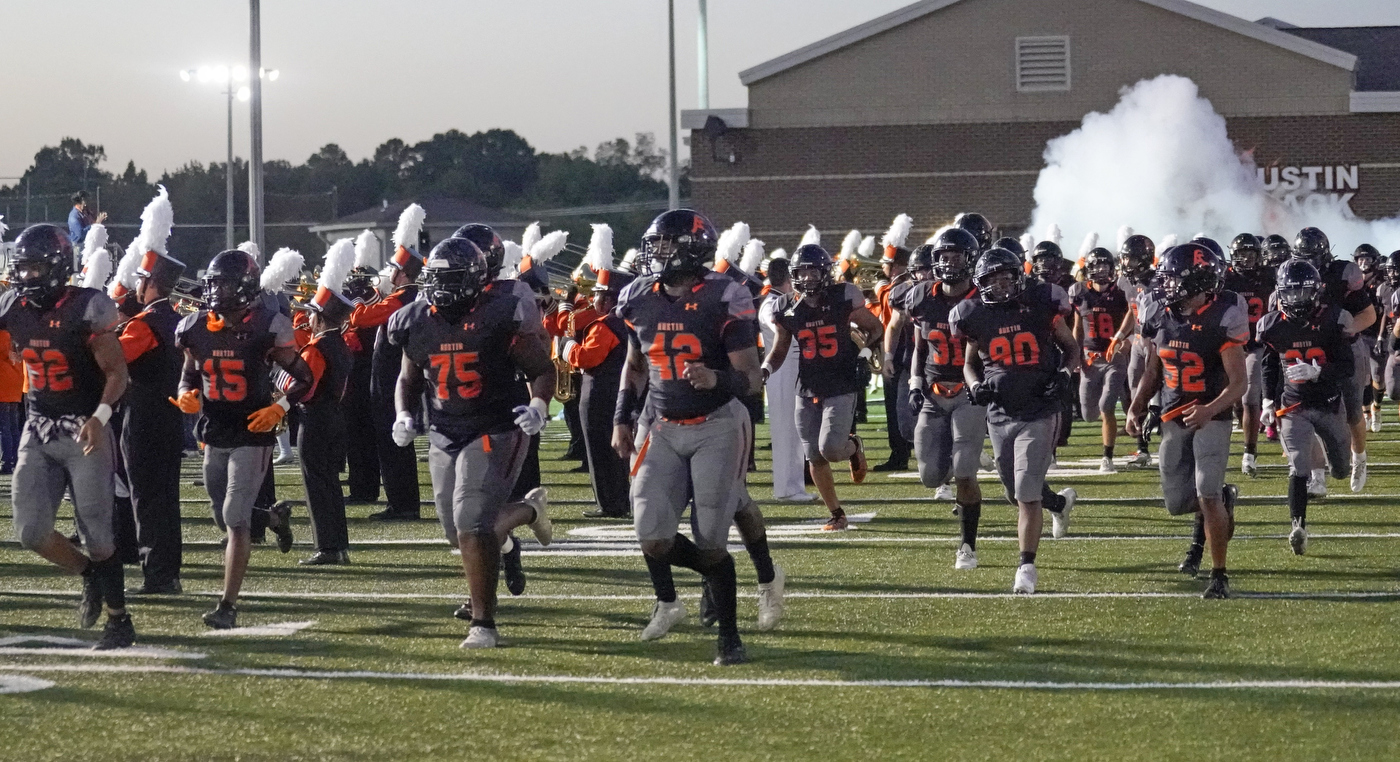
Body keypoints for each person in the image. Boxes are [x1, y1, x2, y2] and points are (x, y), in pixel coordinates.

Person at [612, 208, 762, 666]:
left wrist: (716, 378)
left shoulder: (726, 295)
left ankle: (730, 637)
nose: (656, 253)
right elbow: (636, 365)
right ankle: (687, 593)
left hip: (717, 423)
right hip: (661, 425)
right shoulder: (638, 295)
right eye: (654, 244)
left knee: (712, 539)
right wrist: (621, 417)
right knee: (652, 536)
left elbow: (751, 379)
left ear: (694, 247)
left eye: (666, 244)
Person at [389, 237, 556, 649]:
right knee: (456, 531)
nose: (438, 287)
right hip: (445, 430)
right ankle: (529, 511)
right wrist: (404, 413)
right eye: (433, 278)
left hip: (496, 426)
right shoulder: (415, 319)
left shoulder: (498, 315)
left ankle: (483, 622)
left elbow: (541, 368)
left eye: (447, 278)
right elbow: (408, 379)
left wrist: (538, 405)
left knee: (473, 525)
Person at [2, 224, 134, 648]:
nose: (27, 277)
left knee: (98, 531)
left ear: (58, 267)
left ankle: (120, 620)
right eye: (22, 269)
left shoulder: (88, 307)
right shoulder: (12, 305)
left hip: (83, 428)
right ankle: (88, 575)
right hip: (37, 426)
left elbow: (118, 372)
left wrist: (100, 415)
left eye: (36, 268)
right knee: (30, 530)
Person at [174, 248, 311, 629]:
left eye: (225, 283)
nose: (216, 291)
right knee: (223, 516)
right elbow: (189, 373)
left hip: (253, 431)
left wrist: (280, 408)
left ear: (245, 287)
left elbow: (304, 379)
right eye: (213, 283)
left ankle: (227, 605)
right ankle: (272, 517)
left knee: (234, 517)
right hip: (214, 430)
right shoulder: (194, 327)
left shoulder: (270, 324)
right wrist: (187, 392)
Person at [952, 247, 1080, 594]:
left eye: (1007, 279)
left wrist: (1066, 374)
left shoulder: (1041, 303)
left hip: (1040, 408)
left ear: (1019, 279)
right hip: (1000, 412)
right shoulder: (973, 314)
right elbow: (969, 364)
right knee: (1014, 492)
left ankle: (1026, 566)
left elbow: (1071, 349)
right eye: (993, 281)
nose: (1001, 287)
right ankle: (1059, 504)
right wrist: (975, 385)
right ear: (981, 284)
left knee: (1025, 492)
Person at [1126, 243, 1245, 599]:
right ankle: (1224, 500)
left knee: (1206, 490)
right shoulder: (1161, 314)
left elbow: (1240, 382)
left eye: (1176, 278)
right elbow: (1153, 368)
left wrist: (1210, 408)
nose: (1167, 284)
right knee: (1177, 503)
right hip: (1173, 414)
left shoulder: (1221, 315)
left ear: (1198, 282)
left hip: (1212, 414)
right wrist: (1136, 406)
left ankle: (1219, 574)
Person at [762, 243, 882, 531]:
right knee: (813, 455)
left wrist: (864, 356)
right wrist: (765, 369)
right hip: (807, 386)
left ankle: (853, 448)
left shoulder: (843, 297)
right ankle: (837, 513)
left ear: (825, 273)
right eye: (802, 273)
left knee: (829, 448)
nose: (808, 279)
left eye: (813, 272)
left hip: (841, 382)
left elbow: (875, 328)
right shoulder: (787, 308)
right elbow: (780, 349)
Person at [901, 229, 986, 569]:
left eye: (956, 256)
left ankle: (967, 546)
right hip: (934, 392)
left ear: (970, 259)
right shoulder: (921, 296)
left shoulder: (983, 298)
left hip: (969, 391)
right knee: (931, 477)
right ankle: (960, 456)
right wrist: (914, 382)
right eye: (944, 256)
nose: (949, 263)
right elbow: (921, 345)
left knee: (965, 472)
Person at [1258, 259, 1354, 556]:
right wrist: (1267, 401)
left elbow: (1347, 367)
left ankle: (1337, 467)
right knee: (1298, 465)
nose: (1297, 299)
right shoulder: (1272, 325)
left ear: (1315, 292)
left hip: (1327, 403)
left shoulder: (1331, 319)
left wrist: (1318, 373)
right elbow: (1270, 364)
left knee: (1340, 468)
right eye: (1291, 292)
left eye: (1302, 292)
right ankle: (1298, 525)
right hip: (1293, 405)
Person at [117, 248, 187, 594]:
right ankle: (168, 571)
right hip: (171, 415)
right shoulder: (175, 319)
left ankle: (157, 574)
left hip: (145, 418)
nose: (137, 287)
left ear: (152, 284)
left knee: (146, 497)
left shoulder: (144, 325)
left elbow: (114, 358)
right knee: (166, 497)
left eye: (142, 280)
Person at [348, 212, 426, 522]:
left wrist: (355, 299)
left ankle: (403, 504)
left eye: (394, 268)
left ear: (403, 273)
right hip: (389, 378)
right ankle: (400, 502)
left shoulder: (403, 298)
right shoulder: (398, 296)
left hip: (393, 379)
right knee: (390, 442)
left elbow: (360, 319)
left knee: (394, 444)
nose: (389, 272)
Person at [1293, 227, 1373, 493]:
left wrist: (1347, 330)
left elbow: (1369, 315)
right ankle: (1317, 475)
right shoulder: (1294, 275)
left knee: (1352, 412)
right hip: (1310, 352)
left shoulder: (1341, 274)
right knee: (1312, 412)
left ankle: (1359, 458)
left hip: (1344, 349)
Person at [293, 243, 356, 566]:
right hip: (335, 416)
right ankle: (338, 545)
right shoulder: (342, 345)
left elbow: (305, 387)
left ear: (319, 317)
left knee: (316, 483)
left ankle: (328, 547)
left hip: (315, 418)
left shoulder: (316, 348)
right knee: (329, 482)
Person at [560, 254, 634, 518]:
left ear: (612, 299)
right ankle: (622, 500)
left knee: (600, 451)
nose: (595, 300)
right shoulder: (630, 323)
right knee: (620, 452)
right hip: (622, 391)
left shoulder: (605, 326)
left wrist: (566, 345)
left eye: (600, 295)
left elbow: (586, 357)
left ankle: (610, 503)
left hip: (600, 392)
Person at [1069, 247, 1131, 474]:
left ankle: (1107, 456)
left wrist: (1126, 339)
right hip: (1089, 359)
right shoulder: (1080, 293)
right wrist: (1075, 354)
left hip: (1113, 357)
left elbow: (1133, 314)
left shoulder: (1121, 293)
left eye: (1105, 266)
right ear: (1089, 269)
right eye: (1097, 266)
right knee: (1088, 414)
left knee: (1107, 406)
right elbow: (1077, 328)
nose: (1101, 270)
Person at [758, 254, 810, 501]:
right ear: (789, 278)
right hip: (781, 370)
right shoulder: (772, 303)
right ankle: (786, 488)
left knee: (796, 429)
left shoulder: (784, 301)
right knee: (785, 430)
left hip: (792, 368)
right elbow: (775, 325)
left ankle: (794, 485)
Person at [1222, 234, 1273, 477]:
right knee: (1235, 401)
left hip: (1255, 345)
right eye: (1239, 254)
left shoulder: (1268, 277)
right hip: (1231, 345)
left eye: (1249, 254)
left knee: (1249, 398)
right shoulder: (1225, 279)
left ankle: (1249, 453)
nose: (1244, 259)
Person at [1114, 234, 1158, 466]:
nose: (1126, 263)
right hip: (1138, 342)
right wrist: (1120, 335)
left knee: (1155, 394)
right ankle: (1142, 447)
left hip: (1156, 342)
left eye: (1130, 259)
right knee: (1134, 392)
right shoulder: (1126, 282)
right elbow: (1133, 311)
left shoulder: (1158, 281)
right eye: (1125, 259)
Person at [1352, 244, 1384, 433]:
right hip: (1360, 334)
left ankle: (1376, 406)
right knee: (1363, 376)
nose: (1363, 263)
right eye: (1360, 259)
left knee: (1378, 377)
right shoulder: (1353, 282)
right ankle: (1366, 413)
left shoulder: (1382, 283)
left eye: (1367, 259)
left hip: (1377, 334)